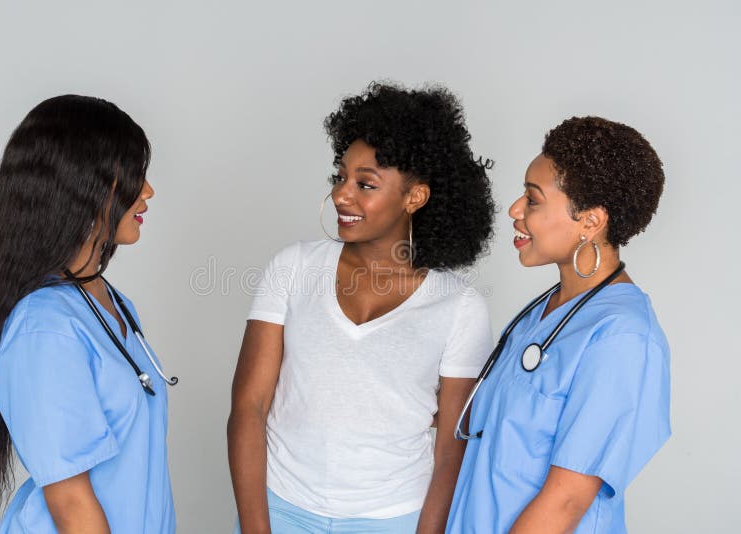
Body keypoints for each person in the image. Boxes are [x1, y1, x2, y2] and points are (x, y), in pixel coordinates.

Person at [228, 82, 496, 533]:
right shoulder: (292, 268)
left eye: (364, 184)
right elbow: (248, 408)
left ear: (415, 197)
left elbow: (452, 449)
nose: (341, 195)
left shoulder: (459, 307)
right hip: (282, 508)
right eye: (340, 176)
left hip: (393, 518)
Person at [0, 95, 176, 533]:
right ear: (80, 184)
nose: (147, 191)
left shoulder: (110, 302)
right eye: (132, 175)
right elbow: (71, 504)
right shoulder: (45, 328)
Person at [446, 116, 671, 533]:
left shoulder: (622, 336)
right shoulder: (542, 313)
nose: (514, 210)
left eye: (532, 200)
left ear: (590, 221)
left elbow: (566, 501)